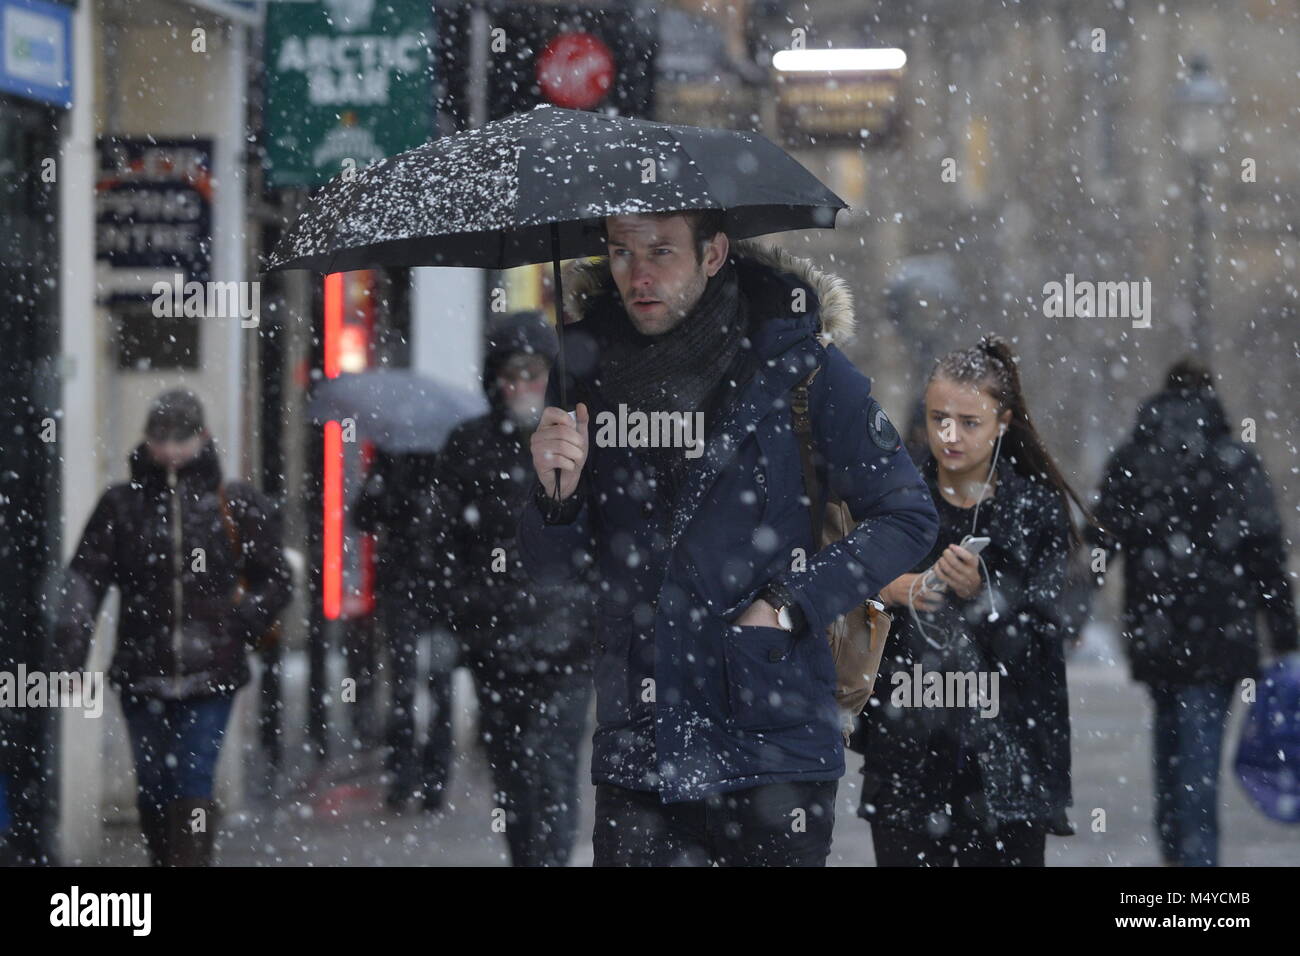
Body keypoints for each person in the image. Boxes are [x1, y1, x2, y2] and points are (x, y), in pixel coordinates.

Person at [517, 210, 939, 866]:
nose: (639, 275)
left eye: (661, 252)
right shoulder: (582, 373)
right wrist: (555, 498)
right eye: (622, 253)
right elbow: (551, 571)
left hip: (775, 742)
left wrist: (789, 604)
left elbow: (907, 515)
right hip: (641, 749)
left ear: (713, 254)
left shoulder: (798, 362)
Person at [854, 336, 1080, 866]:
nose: (949, 435)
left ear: (1002, 422)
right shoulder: (895, 497)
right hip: (908, 754)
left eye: (969, 422)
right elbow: (837, 595)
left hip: (1008, 761)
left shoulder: (1033, 509)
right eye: (939, 418)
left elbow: (1048, 635)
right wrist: (887, 591)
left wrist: (987, 594)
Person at [55, 389, 293, 865]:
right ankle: (164, 857)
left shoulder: (234, 503)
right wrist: (70, 652)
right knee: (153, 785)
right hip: (143, 670)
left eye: (180, 439)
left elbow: (277, 577)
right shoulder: (122, 505)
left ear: (202, 437)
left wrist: (242, 620)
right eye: (160, 439)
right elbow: (85, 578)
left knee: (193, 778)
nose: (169, 450)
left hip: (213, 669)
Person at [1088, 358, 1299, 866]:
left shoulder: (1134, 458)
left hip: (1156, 632)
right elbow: (1265, 552)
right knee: (1197, 768)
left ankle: (1176, 858)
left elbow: (1100, 541)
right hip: (1220, 636)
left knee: (1170, 755)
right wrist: (1284, 633)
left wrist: (1068, 612)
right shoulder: (1236, 460)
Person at [436, 311, 595, 866]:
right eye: (511, 373)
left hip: (567, 644)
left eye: (534, 373)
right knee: (513, 776)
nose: (522, 385)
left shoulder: (581, 442)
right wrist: (464, 612)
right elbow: (442, 541)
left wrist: (588, 608)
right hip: (496, 644)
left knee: (553, 770)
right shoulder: (469, 444)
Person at [353, 447, 456, 811]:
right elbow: (363, 516)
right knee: (406, 685)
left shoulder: (451, 458)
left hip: (438, 589)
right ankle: (407, 774)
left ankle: (429, 777)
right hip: (407, 587)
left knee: (435, 685)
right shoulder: (391, 458)